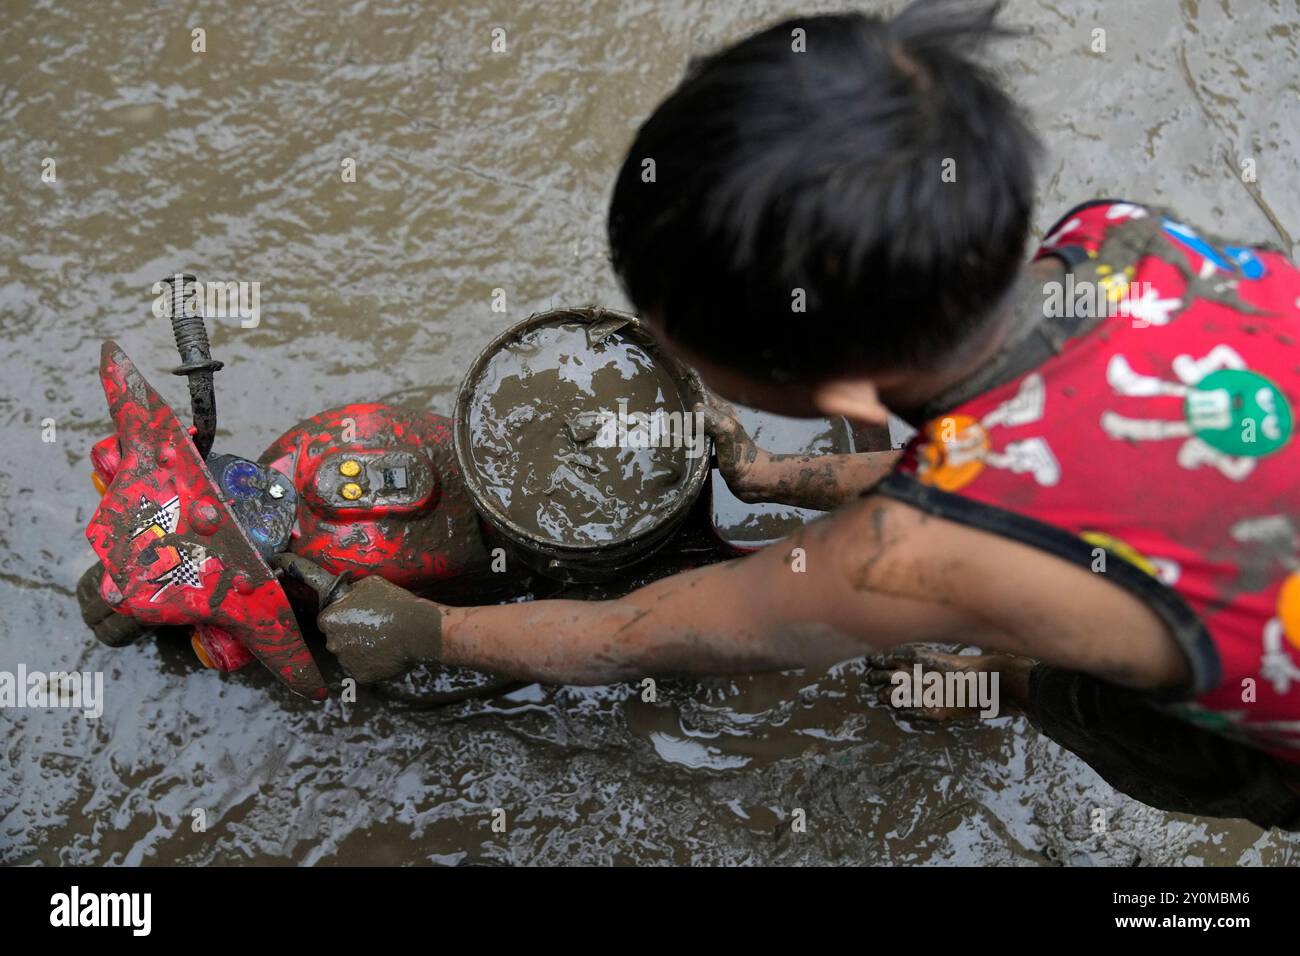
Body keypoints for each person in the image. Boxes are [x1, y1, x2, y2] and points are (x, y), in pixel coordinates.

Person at [304, 0, 1300, 828]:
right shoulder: (1117, 241)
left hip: (1272, 709)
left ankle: (1014, 686)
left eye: (680, 342)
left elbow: (645, 633)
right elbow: (1031, 460)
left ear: (807, 385)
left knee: (1123, 711)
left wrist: (430, 632)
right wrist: (775, 477)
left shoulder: (906, 559)